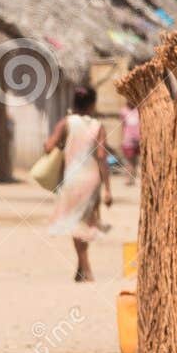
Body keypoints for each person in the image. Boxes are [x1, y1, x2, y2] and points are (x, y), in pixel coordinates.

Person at [45, 84, 113, 282]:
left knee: (76, 224)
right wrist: (108, 189)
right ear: (92, 104)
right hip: (92, 180)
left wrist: (60, 145)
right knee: (83, 222)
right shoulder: (98, 126)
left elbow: (48, 147)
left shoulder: (67, 122)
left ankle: (86, 268)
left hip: (73, 179)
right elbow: (102, 157)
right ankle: (81, 268)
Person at [120, 101, 142, 185]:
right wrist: (122, 139)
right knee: (129, 161)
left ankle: (136, 178)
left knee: (138, 161)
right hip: (128, 140)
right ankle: (128, 179)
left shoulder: (139, 109)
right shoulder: (123, 111)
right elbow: (122, 126)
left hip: (139, 139)